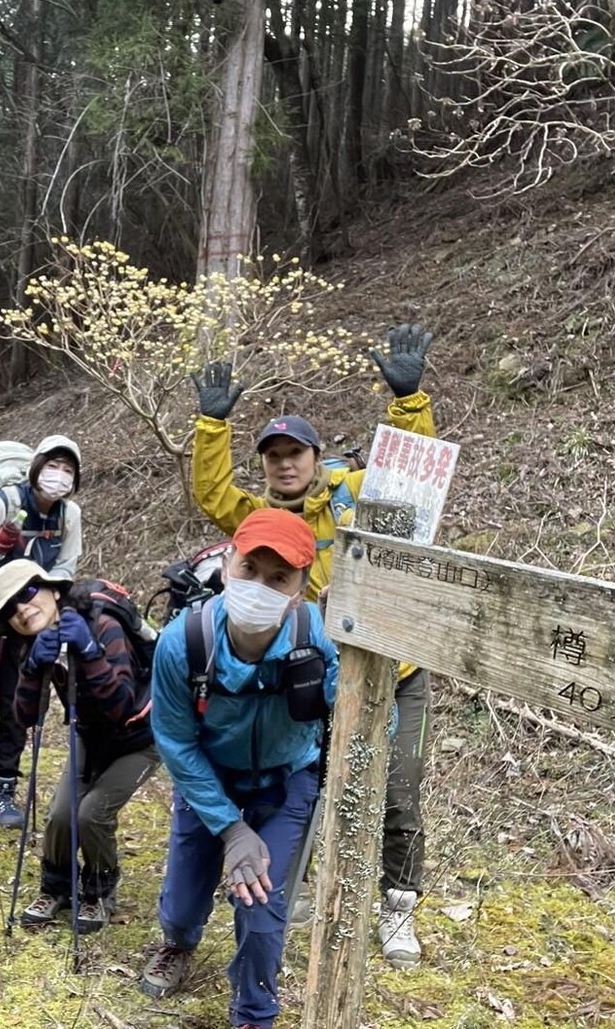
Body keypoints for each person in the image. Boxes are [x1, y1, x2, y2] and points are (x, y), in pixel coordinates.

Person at [186, 324, 436, 966]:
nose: (285, 463)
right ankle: (298, 893)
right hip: (316, 681)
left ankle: (398, 909)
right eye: (272, 455)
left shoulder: (353, 492)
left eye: (295, 452)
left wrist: (408, 402)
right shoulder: (259, 522)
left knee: (397, 790)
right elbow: (212, 494)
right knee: (312, 785)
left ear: (317, 455)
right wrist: (212, 428)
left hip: (393, 670)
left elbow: (414, 488)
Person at [138, 510, 337, 1029]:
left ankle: (254, 1013)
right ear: (227, 565)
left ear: (299, 589)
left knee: (261, 901)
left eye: (279, 578)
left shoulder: (319, 637)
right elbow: (176, 742)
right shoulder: (184, 641)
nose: (259, 586)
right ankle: (179, 943)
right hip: (211, 774)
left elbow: (368, 714)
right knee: (183, 901)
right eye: (250, 569)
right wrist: (230, 828)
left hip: (288, 774)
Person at [0, 560, 160, 934]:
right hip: (90, 736)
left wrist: (88, 651)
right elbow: (25, 717)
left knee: (92, 814)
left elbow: (120, 706)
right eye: (10, 609)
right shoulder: (39, 640)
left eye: (28, 593)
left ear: (53, 590)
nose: (22, 608)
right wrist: (34, 669)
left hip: (141, 738)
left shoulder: (102, 625)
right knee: (61, 815)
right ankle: (57, 887)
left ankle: (99, 891)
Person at [0, 435, 84, 831]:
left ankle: (6, 784)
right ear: (36, 467)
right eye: (52, 466)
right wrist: (1, 591)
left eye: (68, 470)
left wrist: (39, 594)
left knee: (19, 699)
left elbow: (67, 565)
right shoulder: (1, 504)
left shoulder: (69, 515)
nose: (58, 477)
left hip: (30, 616)